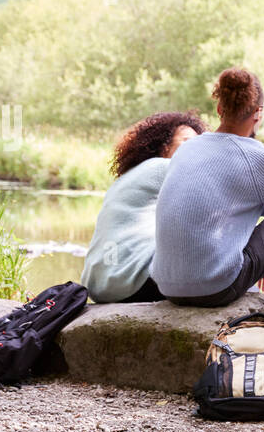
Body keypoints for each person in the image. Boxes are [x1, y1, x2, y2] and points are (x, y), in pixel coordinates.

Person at [151, 67, 264, 308]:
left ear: (219, 109)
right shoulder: (255, 157)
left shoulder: (188, 149)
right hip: (214, 288)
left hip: (167, 287)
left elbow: (224, 197)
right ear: (258, 113)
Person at [81, 112, 205, 303]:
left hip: (100, 287)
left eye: (199, 146)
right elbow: (226, 196)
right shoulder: (162, 167)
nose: (195, 152)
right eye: (187, 143)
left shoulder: (131, 175)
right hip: (130, 284)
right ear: (164, 147)